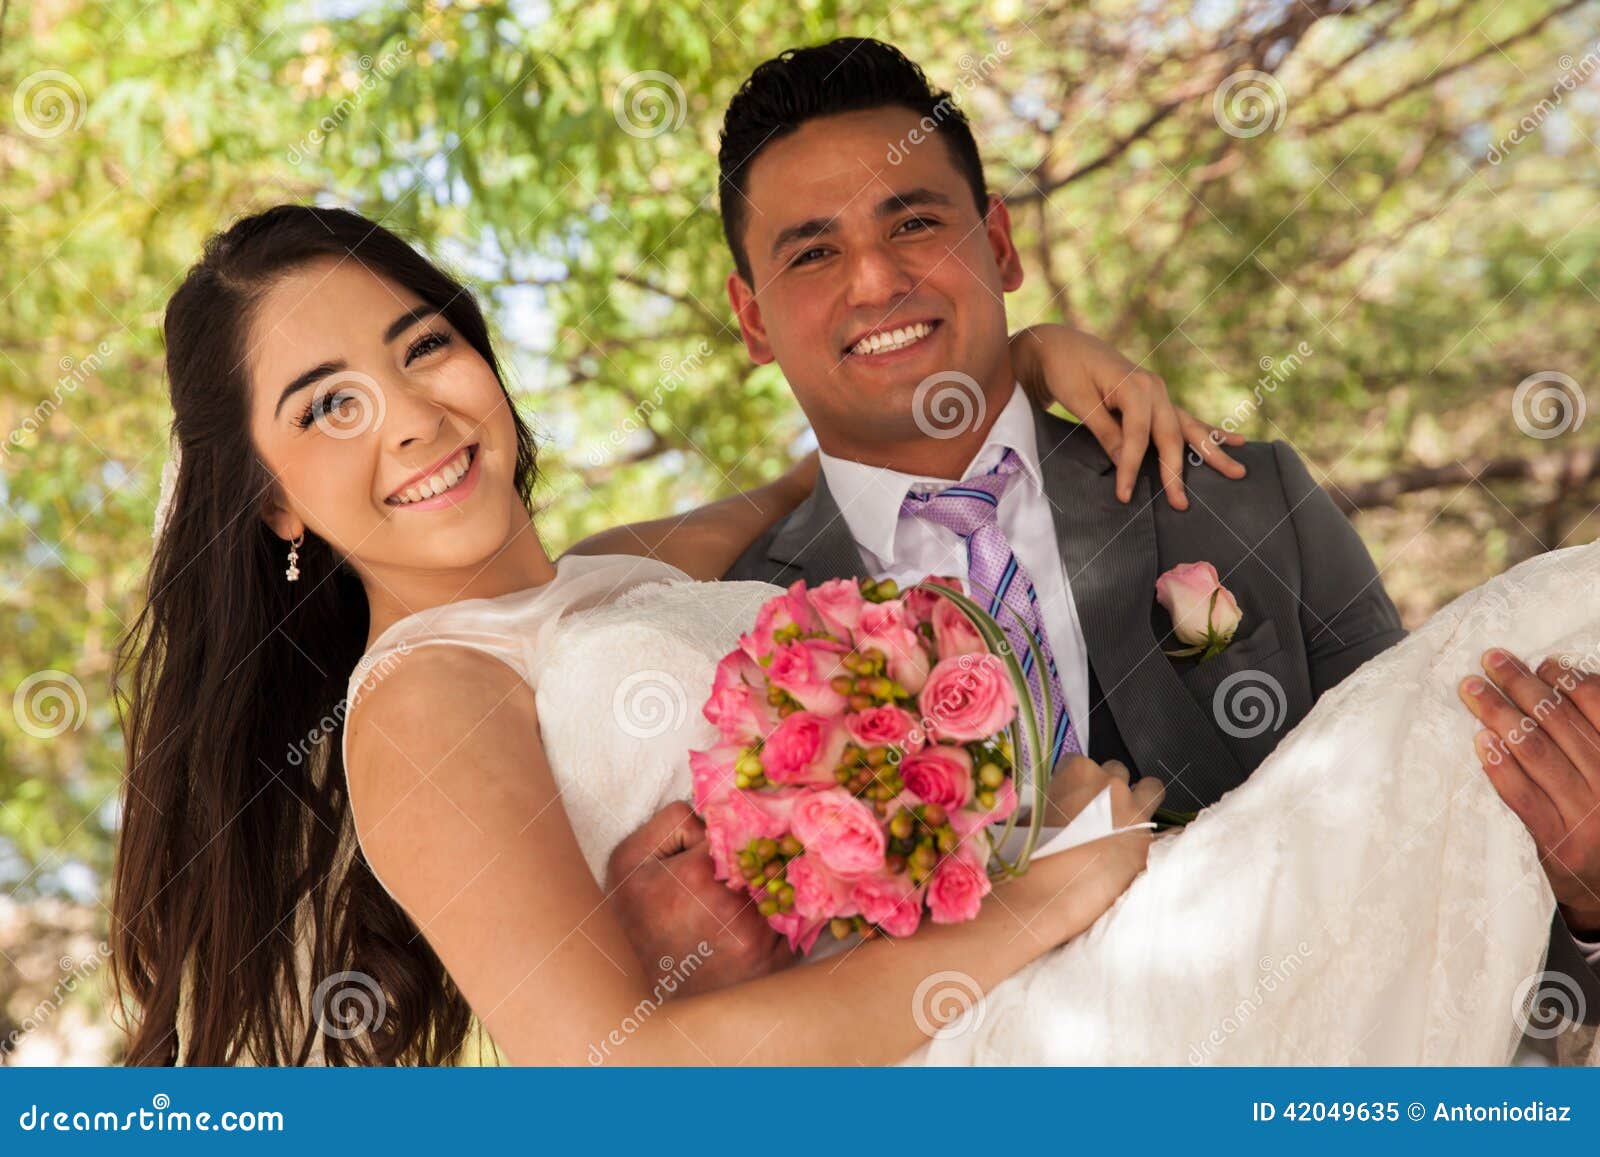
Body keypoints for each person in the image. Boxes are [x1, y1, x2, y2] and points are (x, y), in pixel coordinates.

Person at [608, 40, 1600, 1041]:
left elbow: (1453, 867)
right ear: (751, 320)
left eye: (914, 222)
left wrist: (1588, 900)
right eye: (813, 253)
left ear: (999, 244)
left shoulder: (1248, 502)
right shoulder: (735, 644)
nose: (875, 279)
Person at [110, 202, 1222, 1065]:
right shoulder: (421, 698)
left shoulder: (620, 567)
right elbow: (614, 1073)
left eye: (424, 346)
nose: (410, 417)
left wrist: (1027, 358)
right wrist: (1038, 905)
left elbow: (827, 469)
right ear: (273, 500)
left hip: (1030, 973)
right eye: (327, 405)